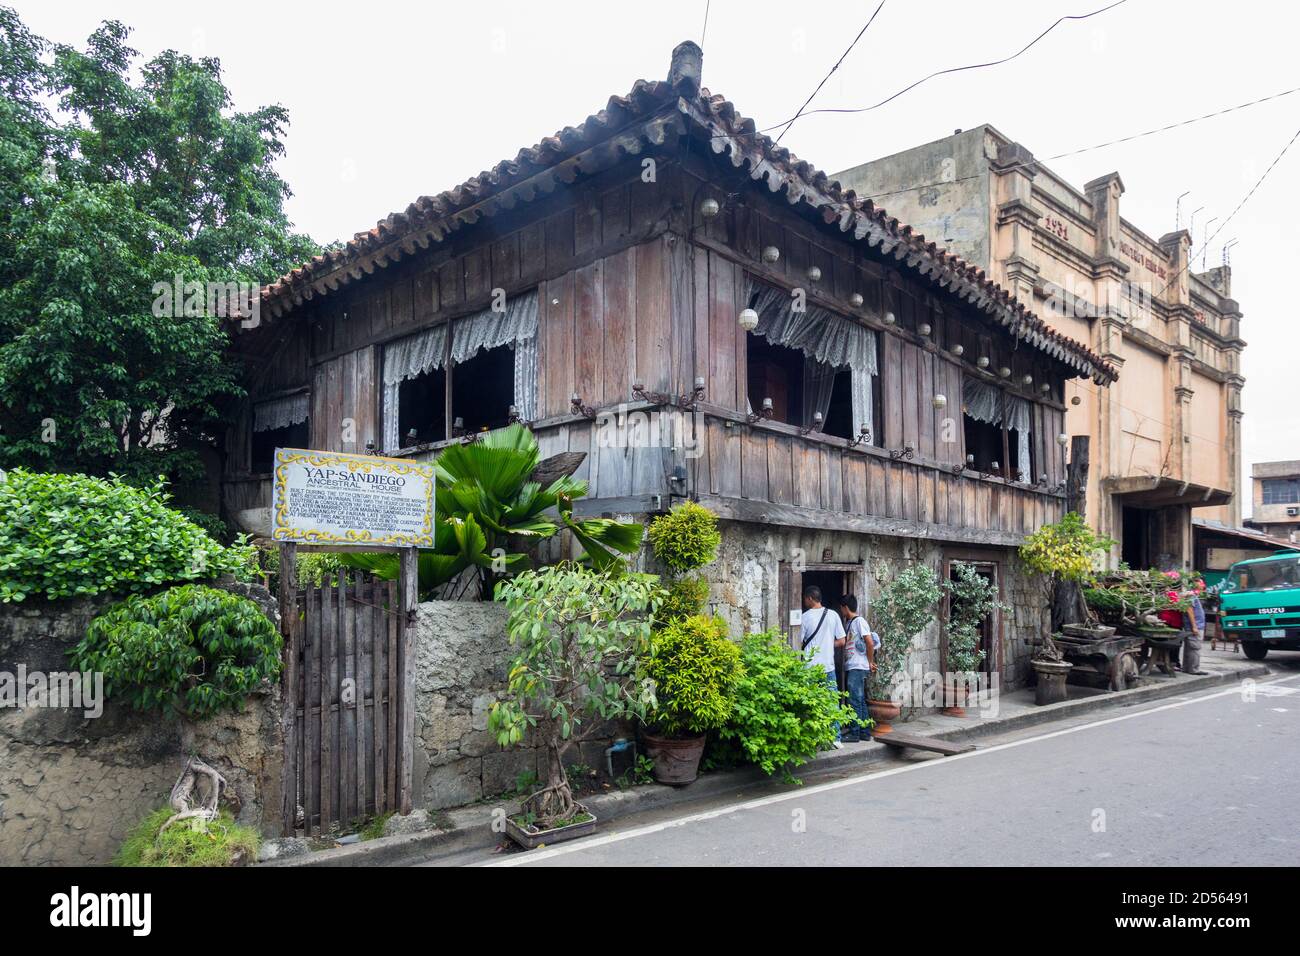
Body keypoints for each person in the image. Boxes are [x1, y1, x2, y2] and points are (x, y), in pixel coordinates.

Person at [800, 585, 846, 748]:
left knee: (811, 703)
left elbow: (798, 641)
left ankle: (813, 738)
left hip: (810, 668)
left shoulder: (804, 618)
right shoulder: (833, 615)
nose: (805, 601)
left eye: (805, 598)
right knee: (832, 702)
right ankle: (835, 738)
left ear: (810, 598)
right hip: (828, 667)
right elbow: (842, 641)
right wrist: (827, 643)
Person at [838, 595, 876, 742]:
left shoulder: (859, 621)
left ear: (845, 607)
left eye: (842, 608)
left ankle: (854, 733)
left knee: (854, 700)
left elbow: (870, 642)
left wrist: (870, 662)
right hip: (854, 665)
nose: (841, 611)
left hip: (858, 666)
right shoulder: (850, 623)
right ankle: (864, 731)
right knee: (859, 700)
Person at [1181, 590, 1208, 676]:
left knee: (1189, 647)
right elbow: (1189, 610)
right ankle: (1194, 669)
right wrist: (1194, 626)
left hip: (1193, 625)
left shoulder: (1190, 595)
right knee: (1195, 647)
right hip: (1195, 626)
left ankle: (1186, 668)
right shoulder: (1190, 595)